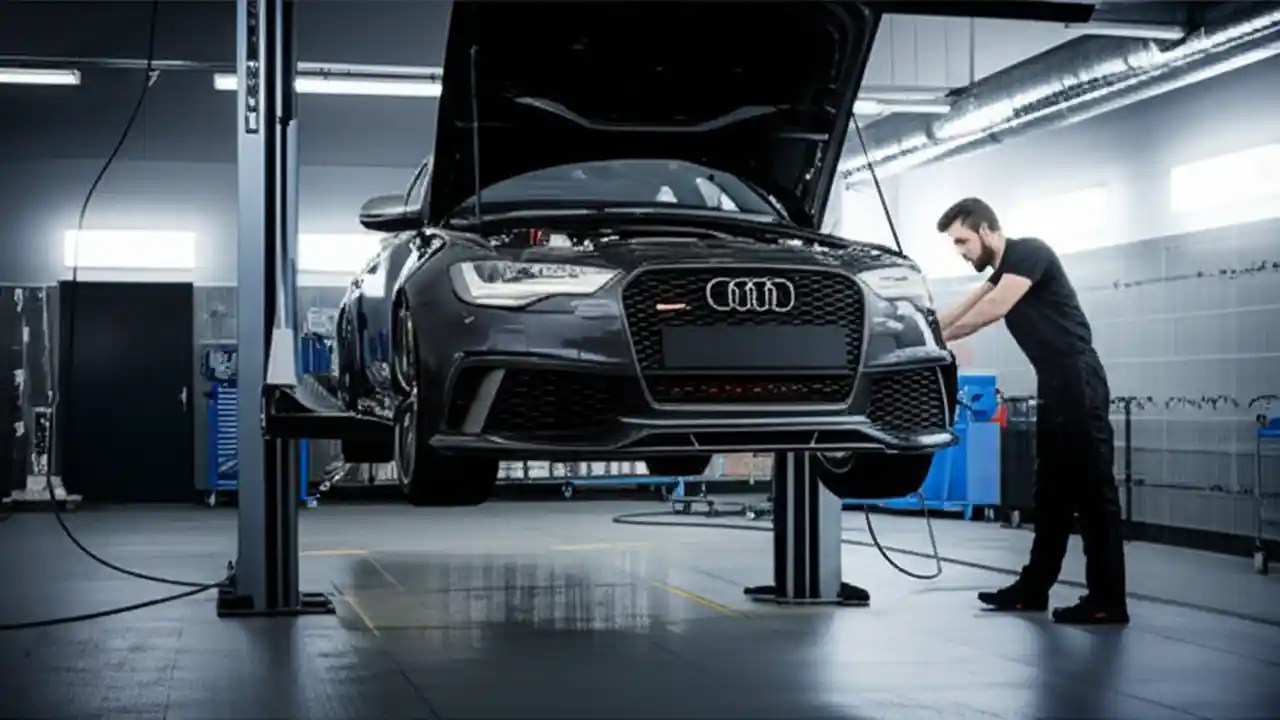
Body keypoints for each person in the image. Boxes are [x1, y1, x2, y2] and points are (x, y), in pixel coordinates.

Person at [934, 197, 1129, 625]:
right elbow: (969, 303)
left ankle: (1107, 600)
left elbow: (992, 310)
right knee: (1051, 493)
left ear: (987, 231)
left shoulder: (1030, 252)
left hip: (1078, 379)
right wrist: (926, 332)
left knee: (1094, 492)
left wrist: (940, 341)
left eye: (963, 241)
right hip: (1054, 385)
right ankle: (1032, 589)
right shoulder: (1001, 273)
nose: (960, 251)